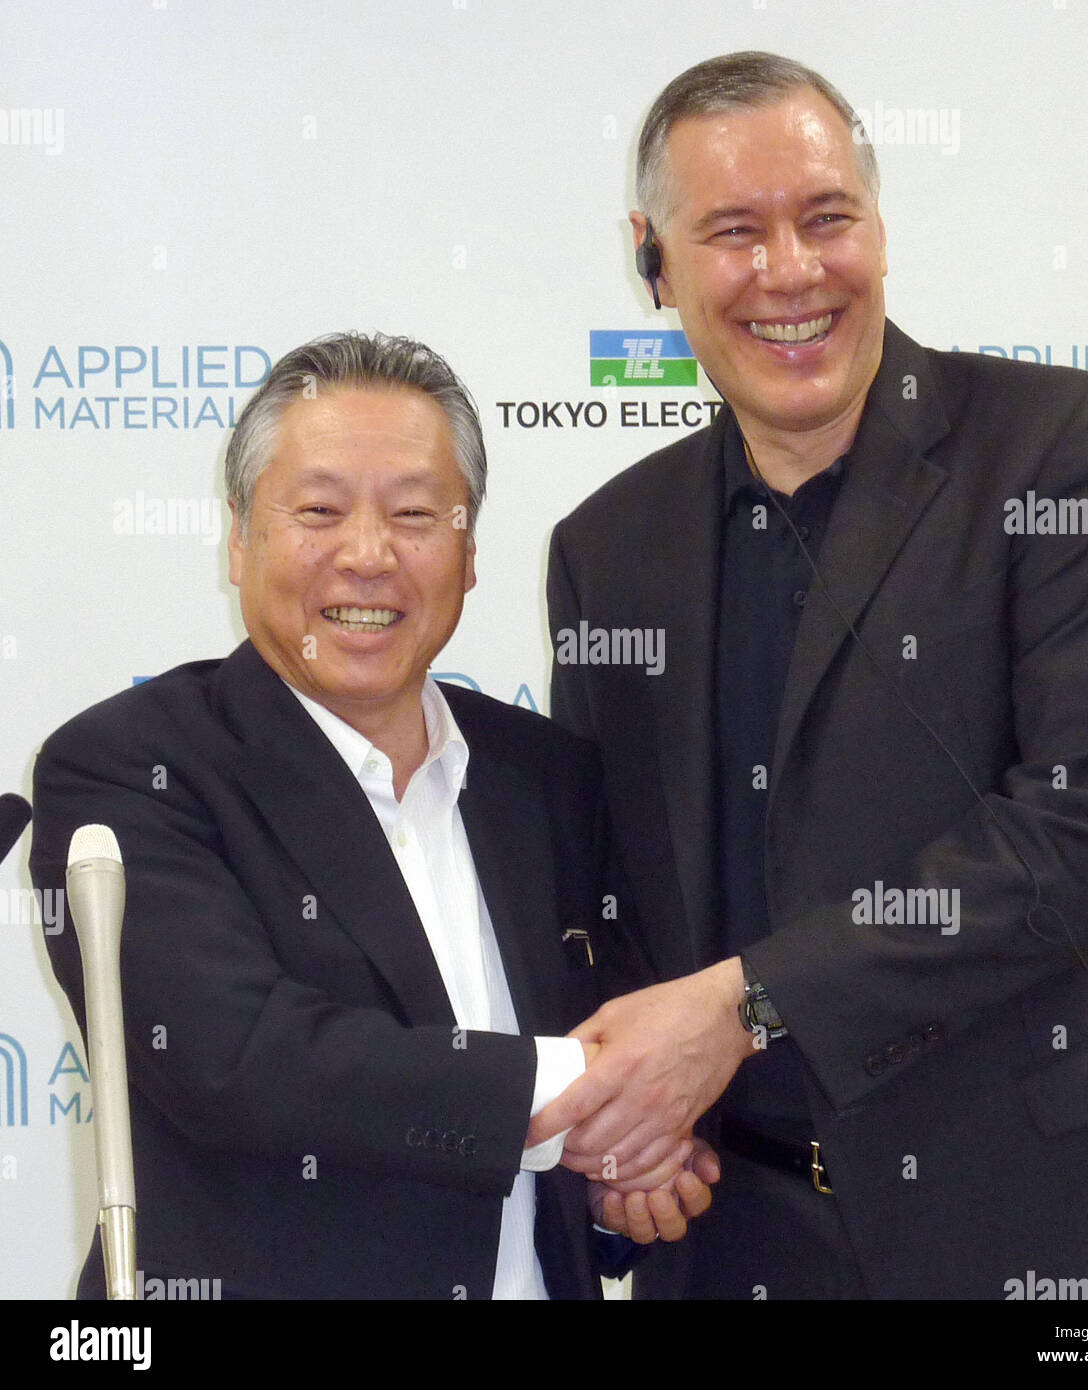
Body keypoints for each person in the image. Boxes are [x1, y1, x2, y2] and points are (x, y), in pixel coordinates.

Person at [536, 52, 1088, 1298]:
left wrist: (745, 1005)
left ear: (879, 230)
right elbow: (610, 889)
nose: (789, 271)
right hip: (738, 1236)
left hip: (1061, 1223)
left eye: (825, 218)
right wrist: (632, 1130)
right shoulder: (608, 550)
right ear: (652, 258)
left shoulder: (1066, 454)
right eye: (732, 231)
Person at [31, 331, 710, 1301]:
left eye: (414, 514)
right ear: (239, 537)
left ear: (468, 552)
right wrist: (595, 1090)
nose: (367, 555)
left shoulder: (549, 780)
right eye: (317, 511)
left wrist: (623, 1183)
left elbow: (617, 1067)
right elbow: (238, 1059)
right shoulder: (129, 768)